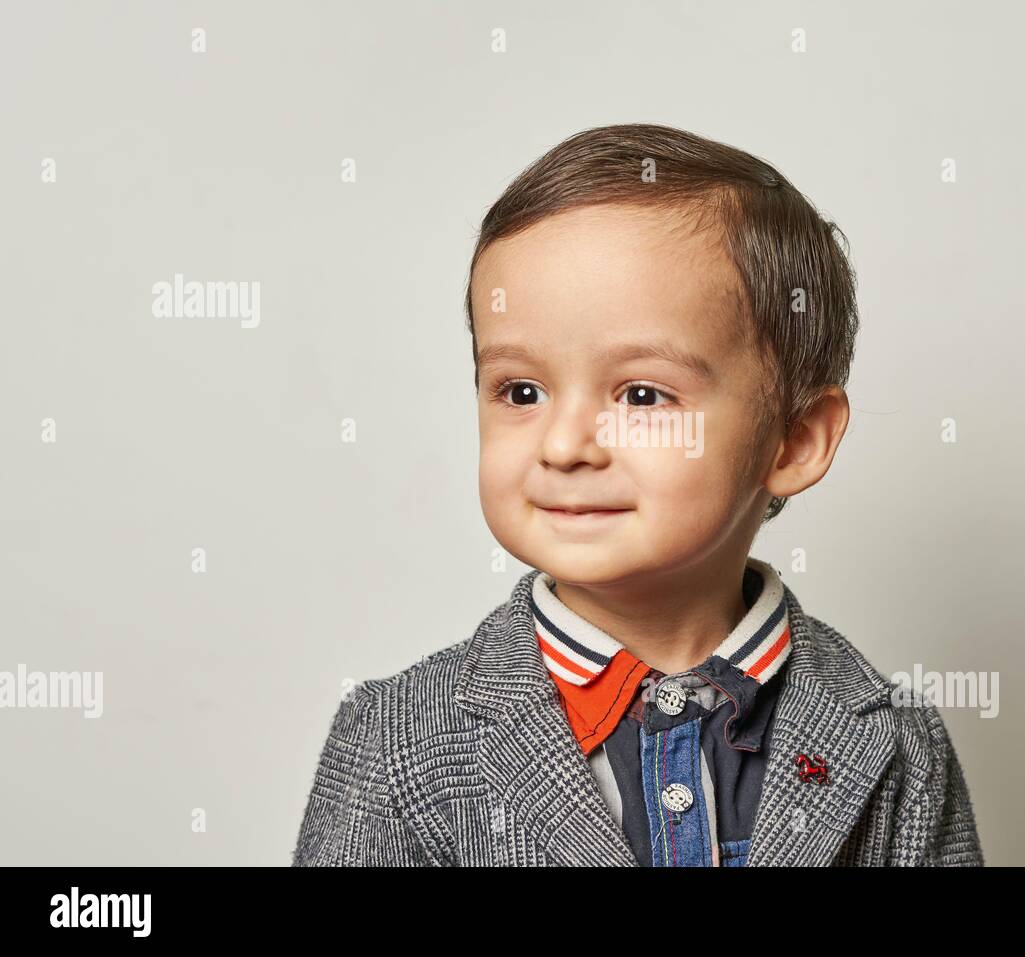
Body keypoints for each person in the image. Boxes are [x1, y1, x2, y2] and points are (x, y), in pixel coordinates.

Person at [292, 123, 983, 866]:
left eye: (643, 395)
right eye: (520, 390)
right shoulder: (394, 741)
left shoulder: (894, 739)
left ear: (794, 439)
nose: (563, 444)